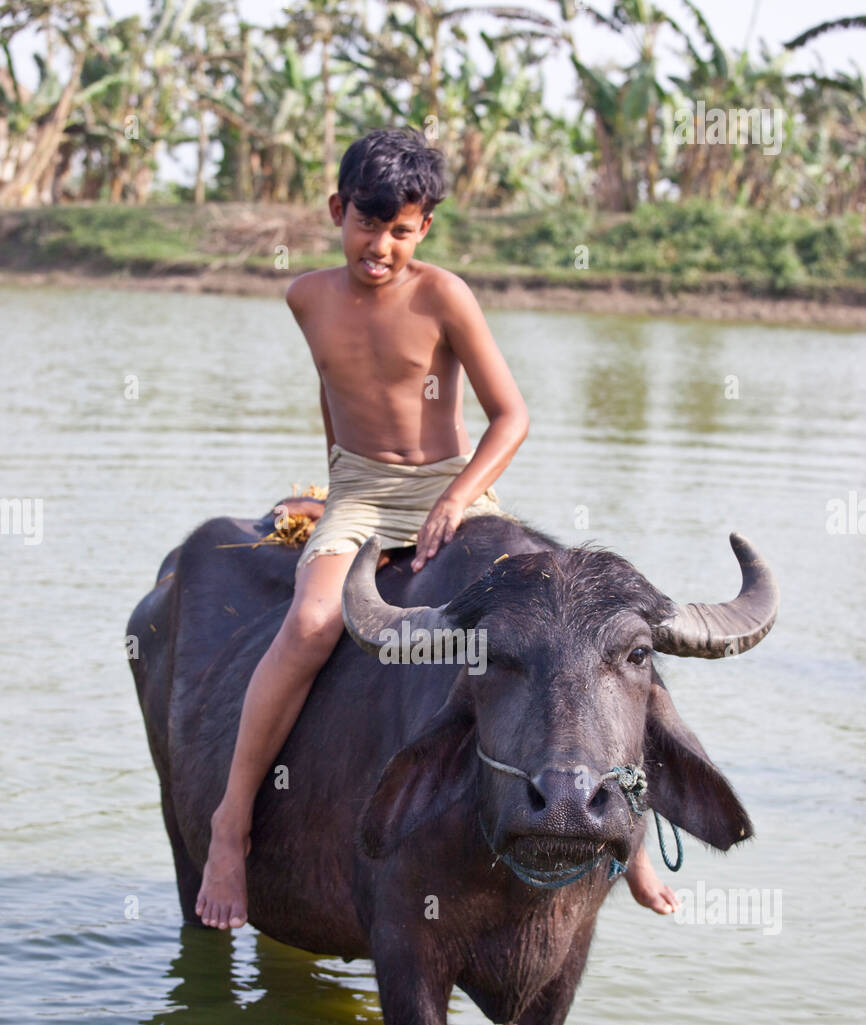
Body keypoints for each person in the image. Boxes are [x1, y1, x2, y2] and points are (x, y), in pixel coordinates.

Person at [196, 128, 678, 930]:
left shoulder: (443, 295)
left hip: (449, 488)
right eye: (364, 224)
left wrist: (459, 496)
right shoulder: (305, 296)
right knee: (313, 622)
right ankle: (230, 823)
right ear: (335, 209)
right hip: (358, 492)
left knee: (558, 624)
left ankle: (627, 841)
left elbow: (512, 417)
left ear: (425, 230)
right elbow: (334, 390)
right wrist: (335, 487)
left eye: (400, 231)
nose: (378, 246)